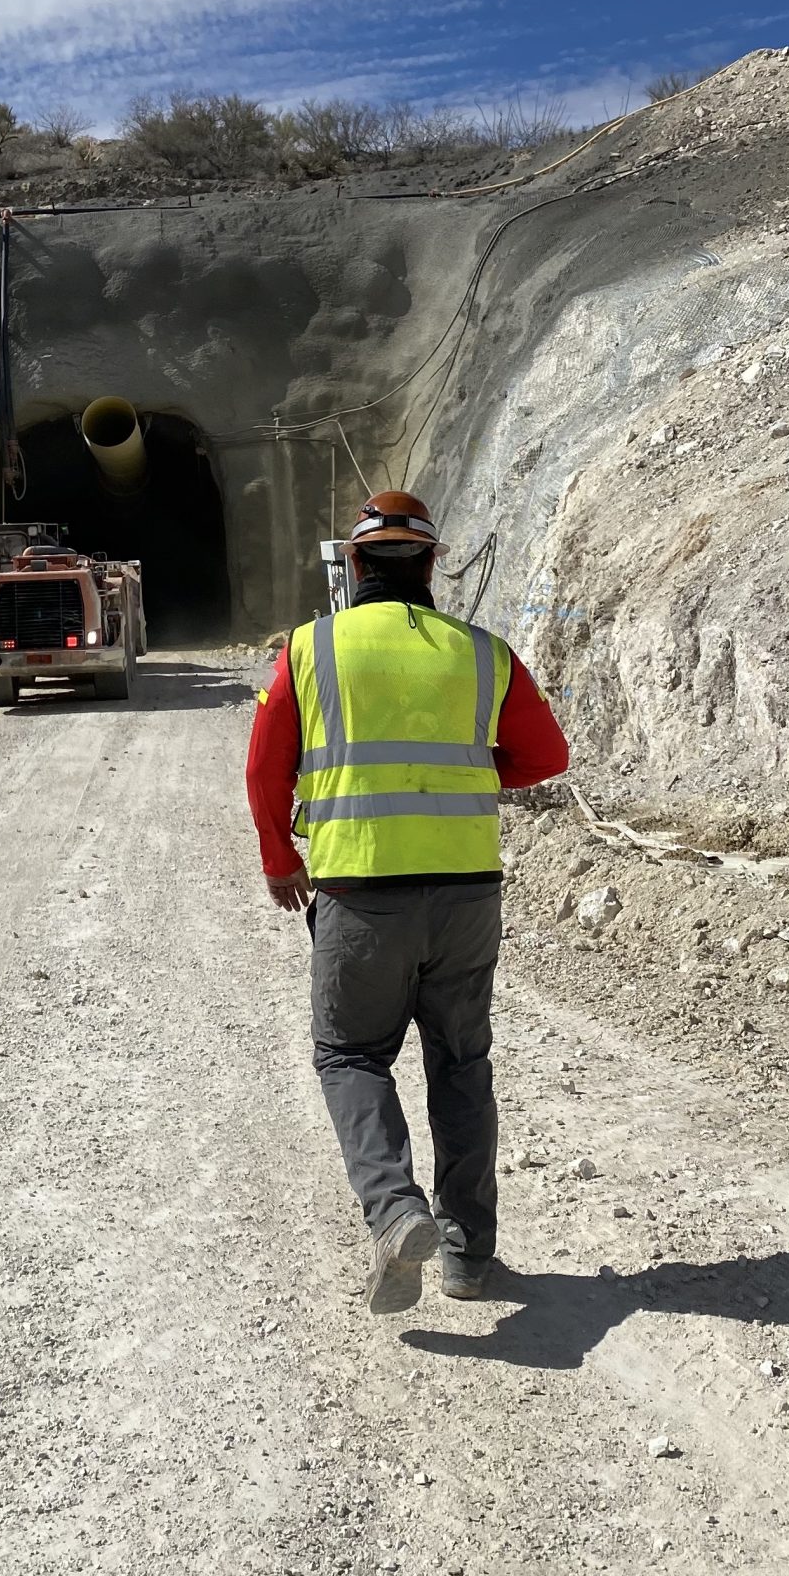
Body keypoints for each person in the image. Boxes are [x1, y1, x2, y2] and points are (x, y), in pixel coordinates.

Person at [245, 490, 570, 1314]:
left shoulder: (310, 649)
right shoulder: (482, 653)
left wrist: (282, 860)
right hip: (466, 895)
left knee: (351, 1057)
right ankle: (468, 1258)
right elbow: (546, 755)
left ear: (353, 565)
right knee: (461, 1067)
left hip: (361, 894)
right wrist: (461, 772)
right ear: (431, 565)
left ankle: (395, 1213)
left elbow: (265, 769)